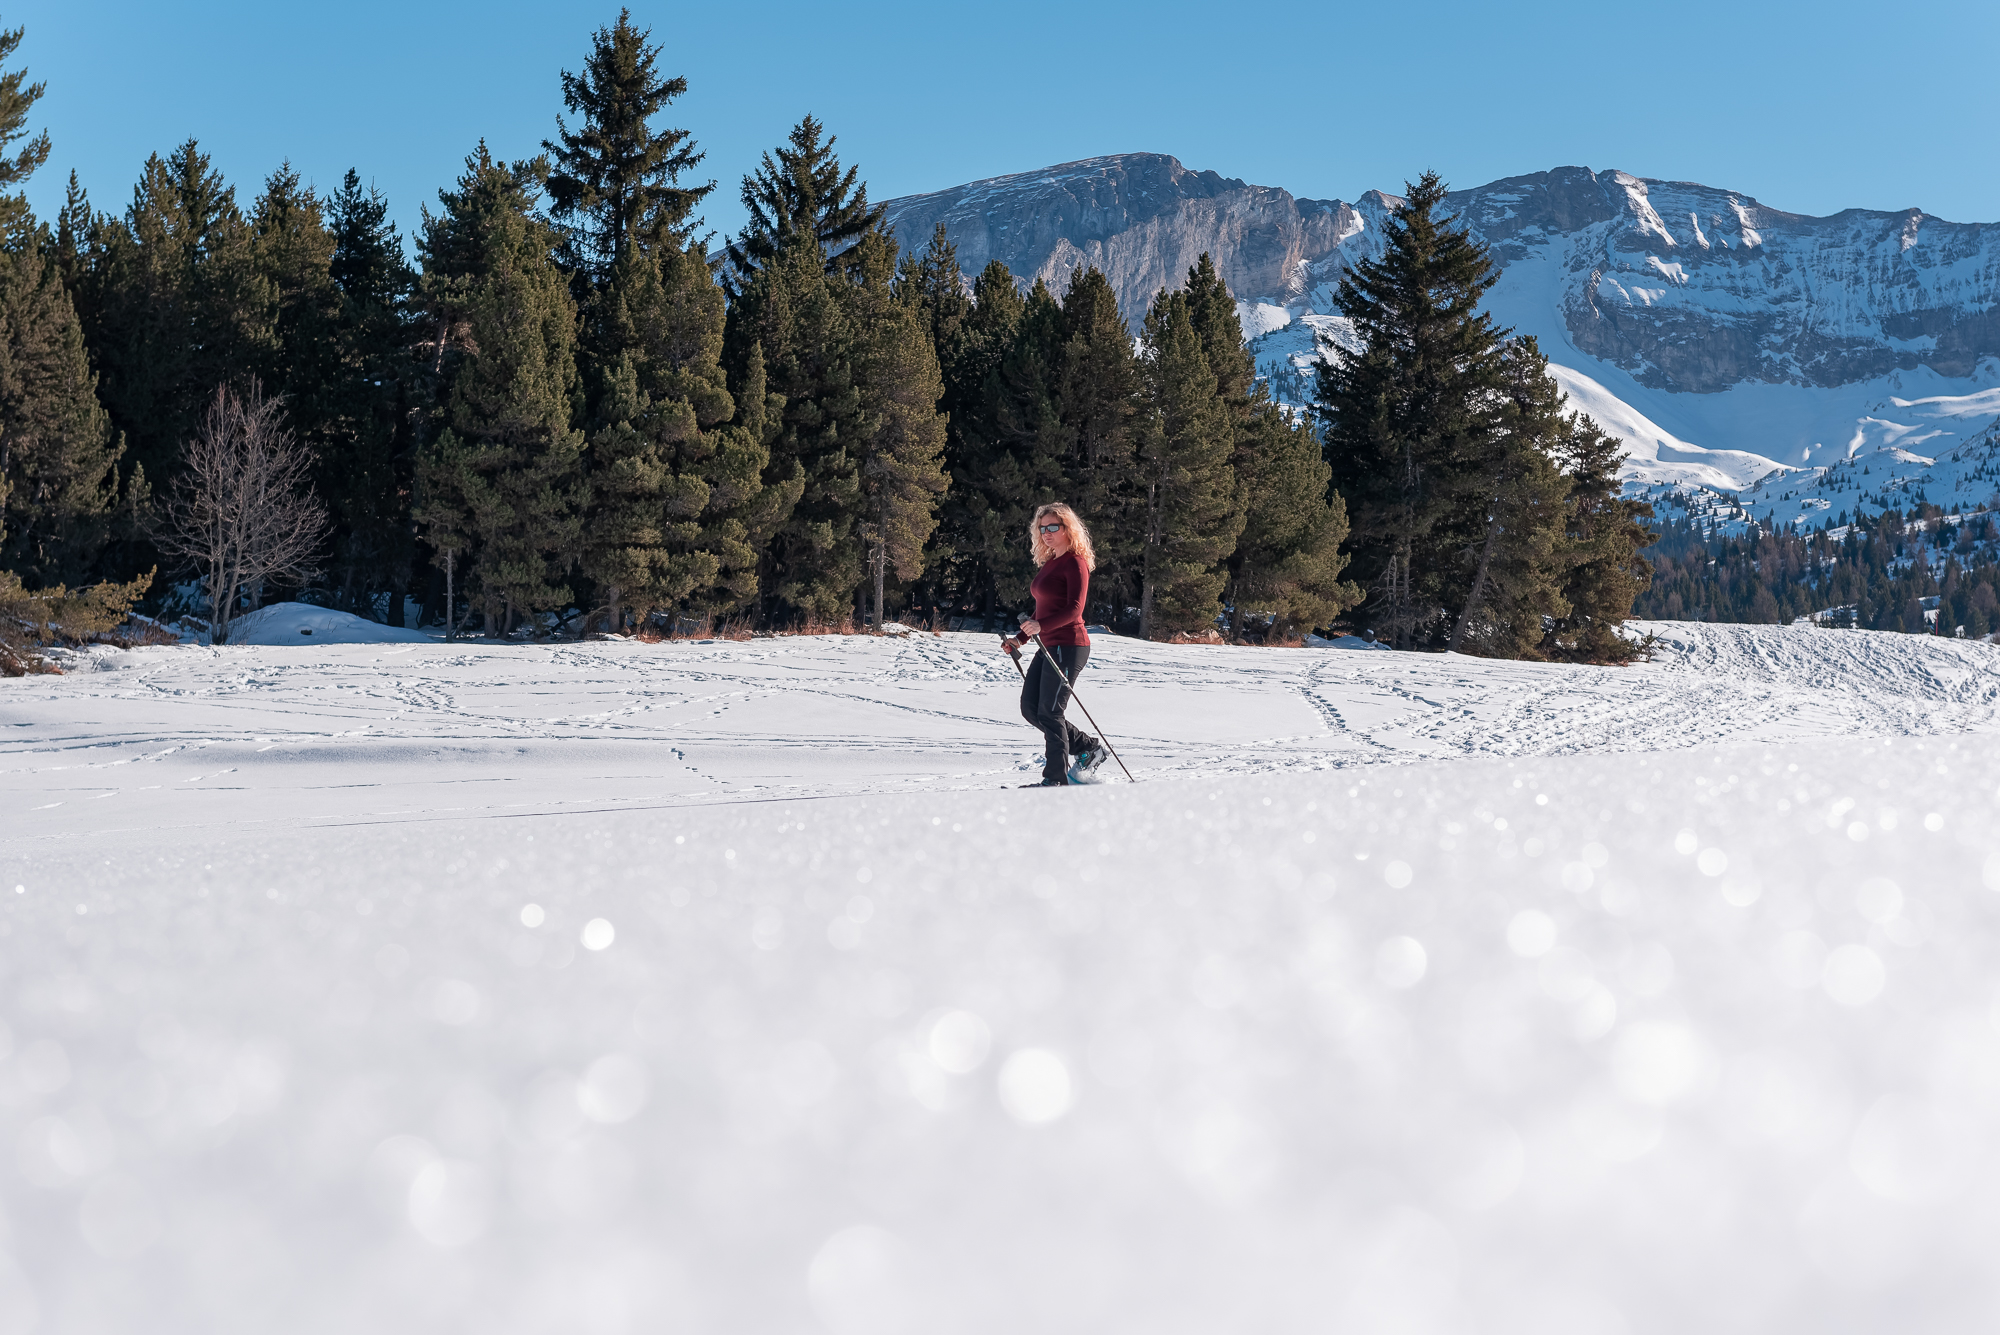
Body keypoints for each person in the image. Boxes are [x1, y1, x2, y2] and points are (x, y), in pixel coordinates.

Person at [1006, 502, 1106, 786]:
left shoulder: (1075, 562)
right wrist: (1020, 638)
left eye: (1053, 527)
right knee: (1031, 708)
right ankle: (1088, 748)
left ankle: (1055, 780)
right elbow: (1043, 610)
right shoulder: (1050, 562)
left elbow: (1075, 610)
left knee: (1050, 712)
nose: (1047, 533)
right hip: (1048, 645)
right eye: (1042, 528)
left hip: (1069, 645)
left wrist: (1041, 627)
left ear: (1067, 528)